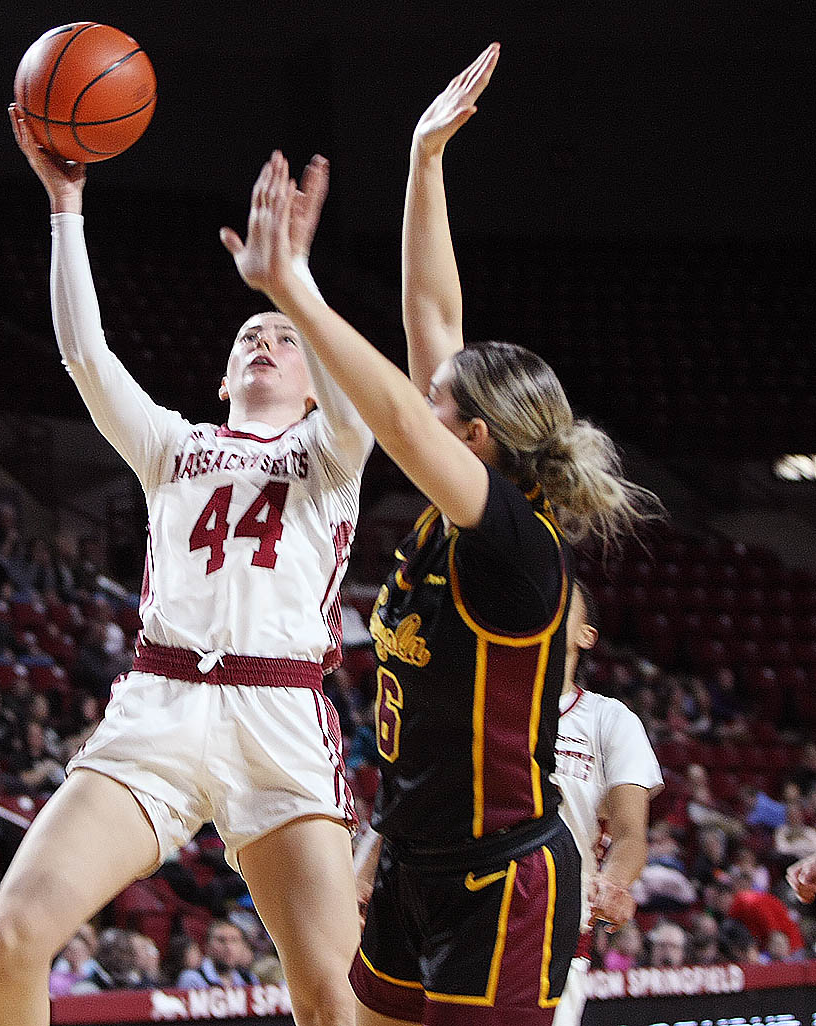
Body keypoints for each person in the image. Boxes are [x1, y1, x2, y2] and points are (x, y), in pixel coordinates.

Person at [222, 44, 659, 1026]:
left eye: (439, 405)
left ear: (473, 439)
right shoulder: (449, 515)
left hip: (499, 882)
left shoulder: (514, 542)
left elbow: (404, 417)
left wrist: (293, 291)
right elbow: (432, 312)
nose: (423, 397)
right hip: (416, 860)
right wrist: (424, 161)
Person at [0, 105, 375, 1026]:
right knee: (11, 936)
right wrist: (65, 207)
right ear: (222, 375)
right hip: (159, 707)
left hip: (279, 716)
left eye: (281, 340)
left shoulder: (331, 450)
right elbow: (85, 355)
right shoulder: (172, 446)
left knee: (331, 997)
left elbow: (360, 403)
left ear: (314, 377)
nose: (263, 343)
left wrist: (296, 288)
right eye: (249, 336)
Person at [550, 584, 662, 1026]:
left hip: (554, 934)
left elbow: (632, 835)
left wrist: (611, 885)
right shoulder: (477, 705)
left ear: (586, 635)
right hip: (461, 920)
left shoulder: (609, 719)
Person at [176, 919, 260, 989]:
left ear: (243, 946)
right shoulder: (192, 978)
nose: (228, 947)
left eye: (234, 940)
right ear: (207, 945)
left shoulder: (249, 979)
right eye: (221, 940)